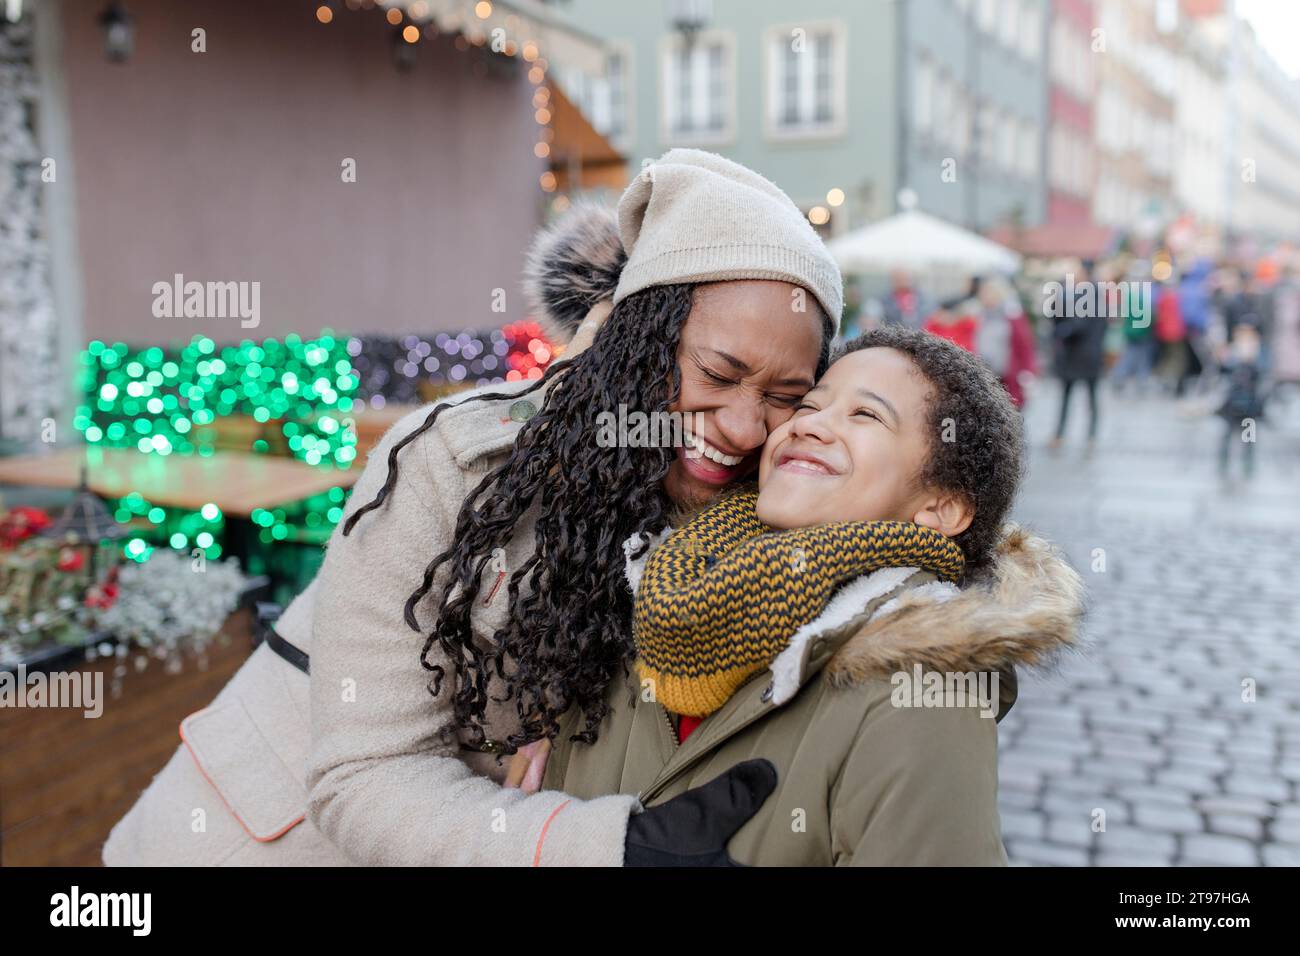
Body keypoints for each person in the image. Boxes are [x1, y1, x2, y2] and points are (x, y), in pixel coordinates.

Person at [102, 148, 845, 866]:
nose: (746, 427)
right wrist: (609, 846)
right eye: (717, 372)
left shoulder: (758, 510)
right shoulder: (456, 462)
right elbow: (364, 780)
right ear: (638, 344)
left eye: (785, 397)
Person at [521, 326, 1083, 865]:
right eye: (809, 406)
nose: (808, 426)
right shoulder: (642, 582)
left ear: (939, 509)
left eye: (865, 414)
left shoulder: (921, 689)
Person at [1049, 261, 1107, 452]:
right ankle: (1090, 437)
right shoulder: (1096, 296)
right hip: (1090, 355)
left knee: (1071, 397)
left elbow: (1075, 325)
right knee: (1090, 397)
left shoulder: (1086, 296)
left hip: (1078, 355)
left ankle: (1062, 435)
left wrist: (1060, 331)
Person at [973, 275, 1038, 408]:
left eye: (990, 293)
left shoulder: (1012, 316)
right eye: (984, 293)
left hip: (1008, 376)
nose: (986, 297)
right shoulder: (978, 315)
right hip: (984, 374)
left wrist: (1028, 372)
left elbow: (1024, 346)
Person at [1216, 322, 1266, 481]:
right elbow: (1222, 371)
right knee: (1227, 434)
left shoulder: (1259, 355)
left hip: (1249, 405)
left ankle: (1248, 464)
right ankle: (1223, 462)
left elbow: (1263, 377)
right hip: (1231, 404)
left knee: (1248, 437)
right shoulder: (1231, 355)